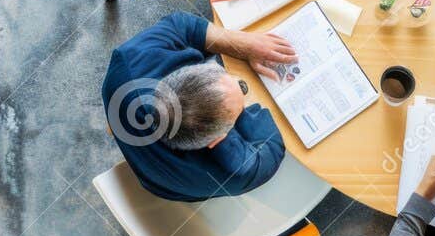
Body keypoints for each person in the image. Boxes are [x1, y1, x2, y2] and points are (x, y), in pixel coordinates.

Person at [101, 12, 298, 202]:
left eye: (219, 72)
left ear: (184, 73)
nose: (239, 82)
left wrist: (243, 45)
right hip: (168, 187)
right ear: (218, 140)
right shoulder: (239, 172)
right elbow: (273, 144)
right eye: (242, 89)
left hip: (140, 150)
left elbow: (182, 24)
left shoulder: (127, 61)